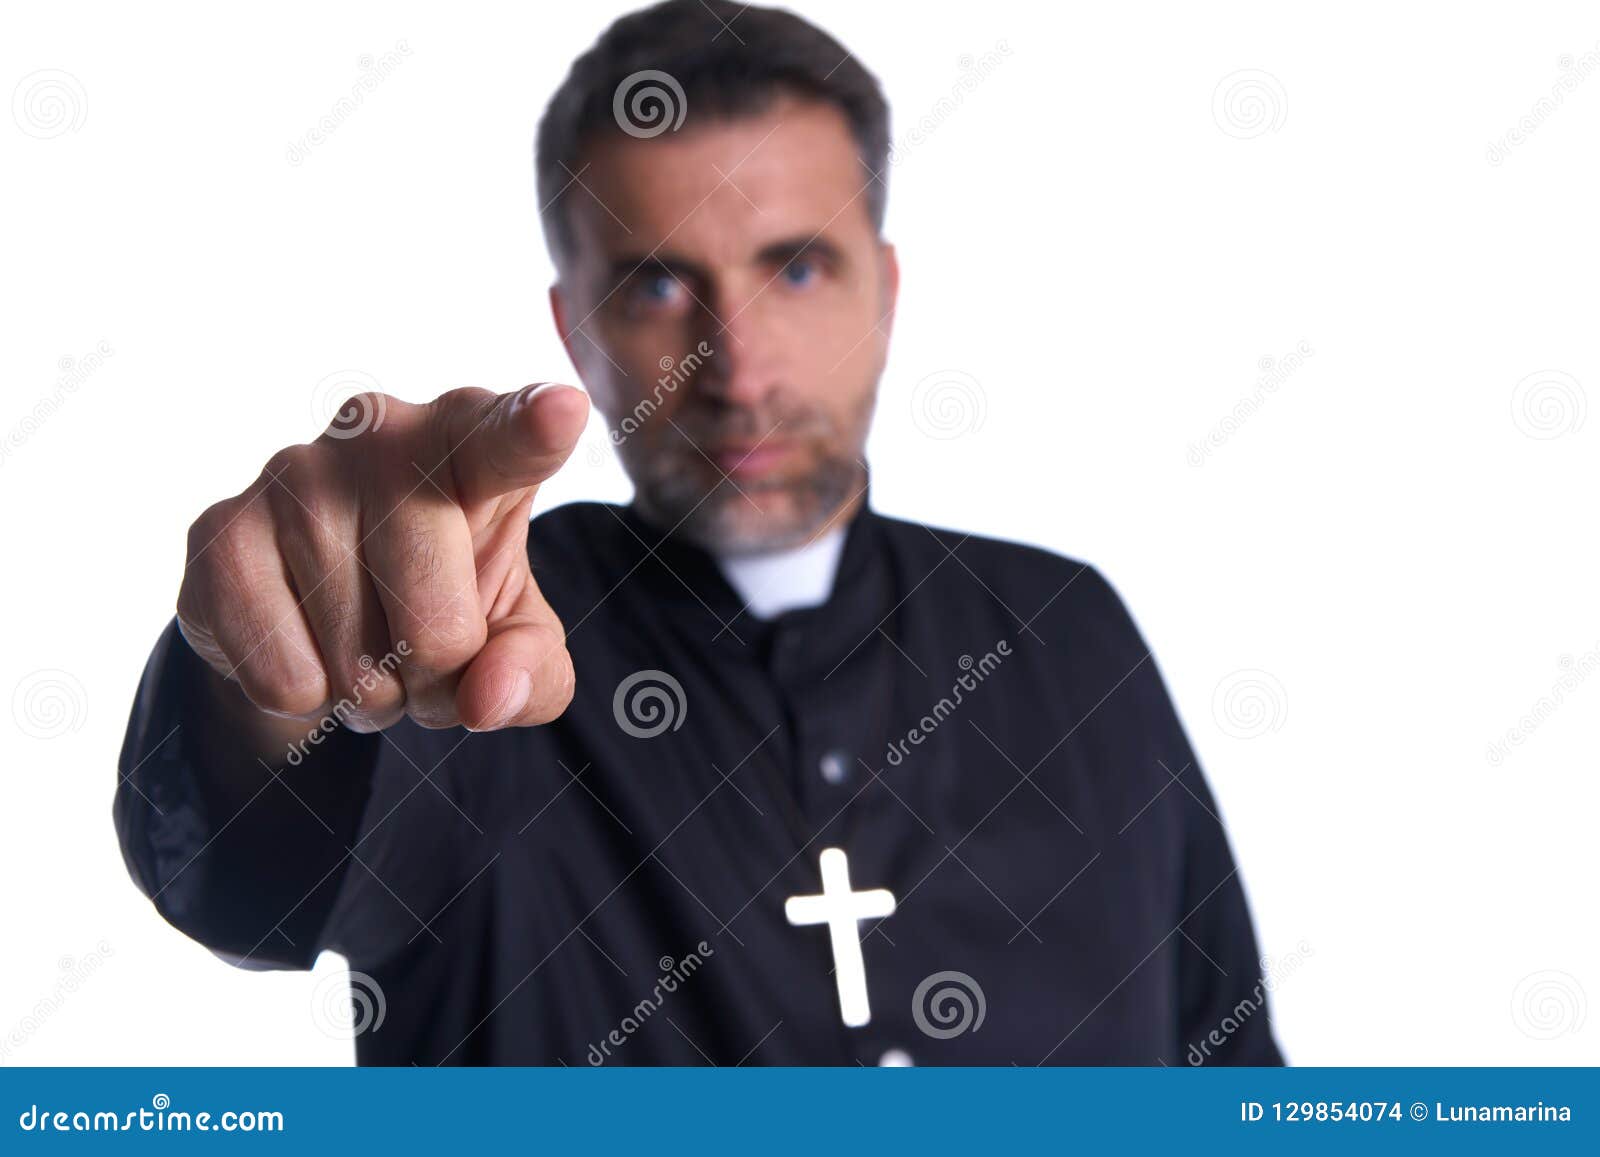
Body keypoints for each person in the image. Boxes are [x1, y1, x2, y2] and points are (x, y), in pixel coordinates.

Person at [114, 0, 1284, 1066]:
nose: (739, 367)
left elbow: (1227, 1065)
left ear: (884, 293)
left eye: (797, 267)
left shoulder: (1064, 634)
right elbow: (251, 876)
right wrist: (277, 666)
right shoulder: (483, 641)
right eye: (660, 288)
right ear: (574, 330)